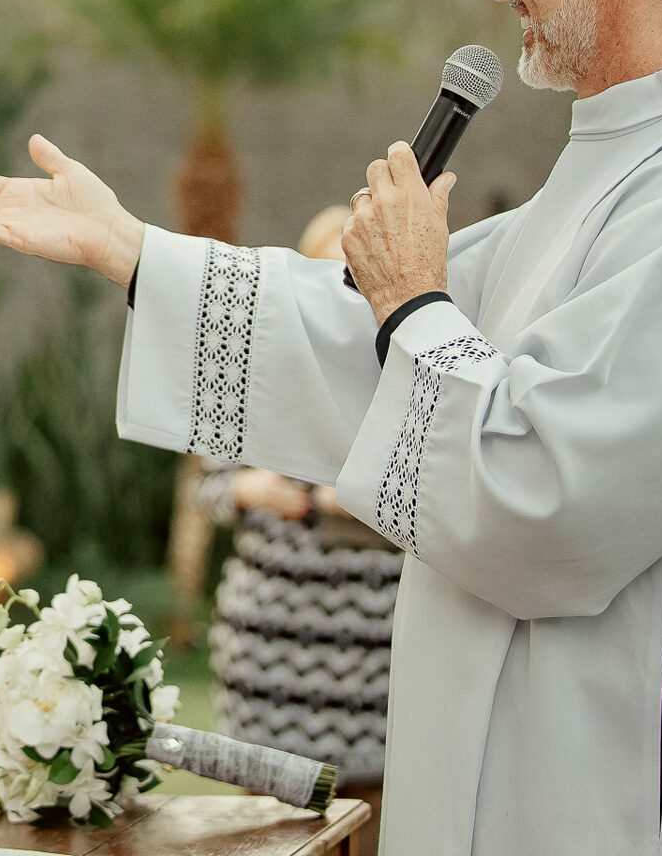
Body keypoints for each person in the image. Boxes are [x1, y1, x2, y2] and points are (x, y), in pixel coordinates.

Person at [0, 0, 662, 856]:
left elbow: (546, 499)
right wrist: (136, 251)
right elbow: (353, 334)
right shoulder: (606, 170)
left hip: (591, 786)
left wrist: (416, 304)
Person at [197, 206, 398, 856]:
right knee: (267, 827)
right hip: (272, 650)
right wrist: (253, 489)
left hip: (376, 655)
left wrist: (329, 497)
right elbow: (211, 487)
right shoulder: (256, 368)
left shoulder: (403, 369)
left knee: (371, 821)